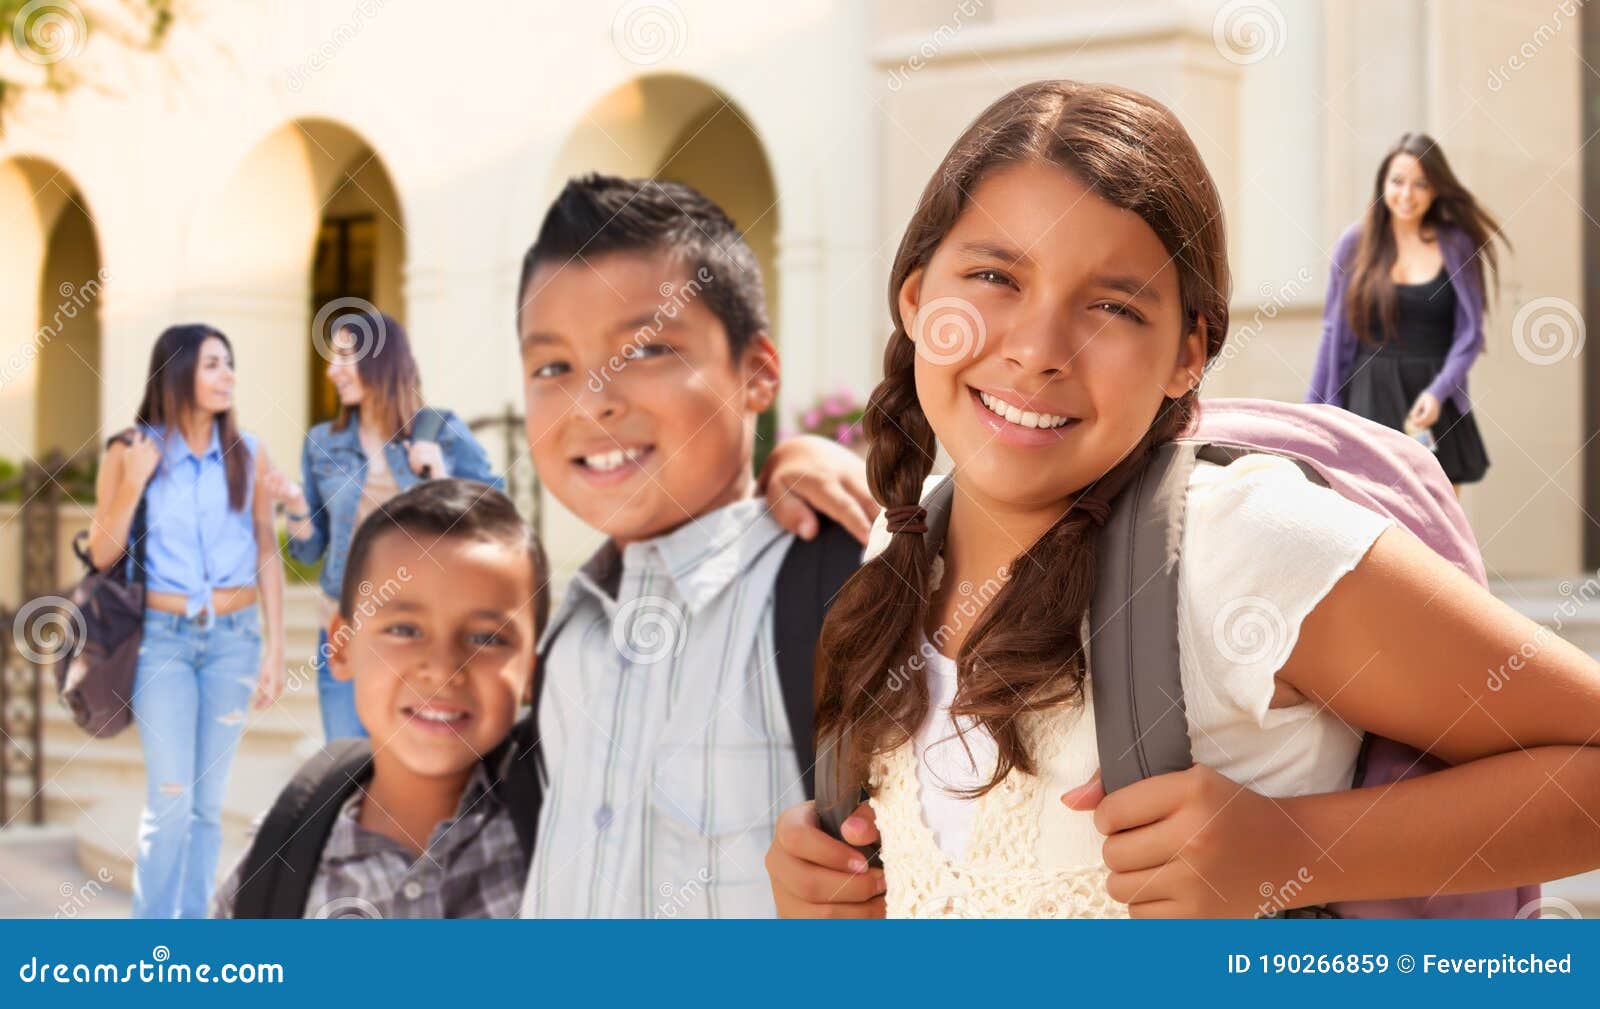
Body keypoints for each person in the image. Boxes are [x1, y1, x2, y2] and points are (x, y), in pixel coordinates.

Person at [766, 79, 1600, 918]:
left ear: (1187, 355)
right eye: (994, 275)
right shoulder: (898, 544)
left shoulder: (1237, 543)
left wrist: (1298, 850)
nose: (1039, 350)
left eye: (1112, 306)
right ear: (915, 297)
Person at [514, 173, 878, 917]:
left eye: (645, 348)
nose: (593, 399)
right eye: (553, 367)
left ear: (758, 372)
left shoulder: (838, 593)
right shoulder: (566, 639)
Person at [212, 479, 545, 918]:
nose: (443, 669)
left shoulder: (563, 847)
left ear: (532, 673)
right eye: (404, 630)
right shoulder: (272, 868)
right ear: (342, 647)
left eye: (486, 638)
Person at [86, 324, 290, 918]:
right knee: (170, 802)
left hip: (234, 642)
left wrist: (276, 651)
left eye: (230, 364)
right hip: (163, 644)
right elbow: (102, 553)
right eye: (212, 365)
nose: (228, 376)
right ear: (177, 374)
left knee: (206, 806)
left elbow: (265, 550)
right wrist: (132, 487)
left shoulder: (248, 452)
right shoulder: (130, 449)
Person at [273, 310, 500, 741]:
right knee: (345, 761)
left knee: (413, 761)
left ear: (379, 359)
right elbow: (308, 550)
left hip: (426, 630)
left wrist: (441, 476)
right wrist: (297, 505)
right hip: (345, 628)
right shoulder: (323, 441)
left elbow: (496, 515)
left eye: (343, 357)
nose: (331, 370)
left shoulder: (442, 430)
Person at [1309, 132, 1508, 493]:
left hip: (1435, 401)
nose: (1406, 194)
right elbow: (1332, 334)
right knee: (1375, 520)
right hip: (1367, 396)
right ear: (1383, 183)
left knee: (1438, 525)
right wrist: (1316, 412)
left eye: (1421, 184)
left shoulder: (1457, 244)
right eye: (1397, 181)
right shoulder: (1355, 243)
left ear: (1435, 191)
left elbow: (1469, 334)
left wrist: (1438, 392)